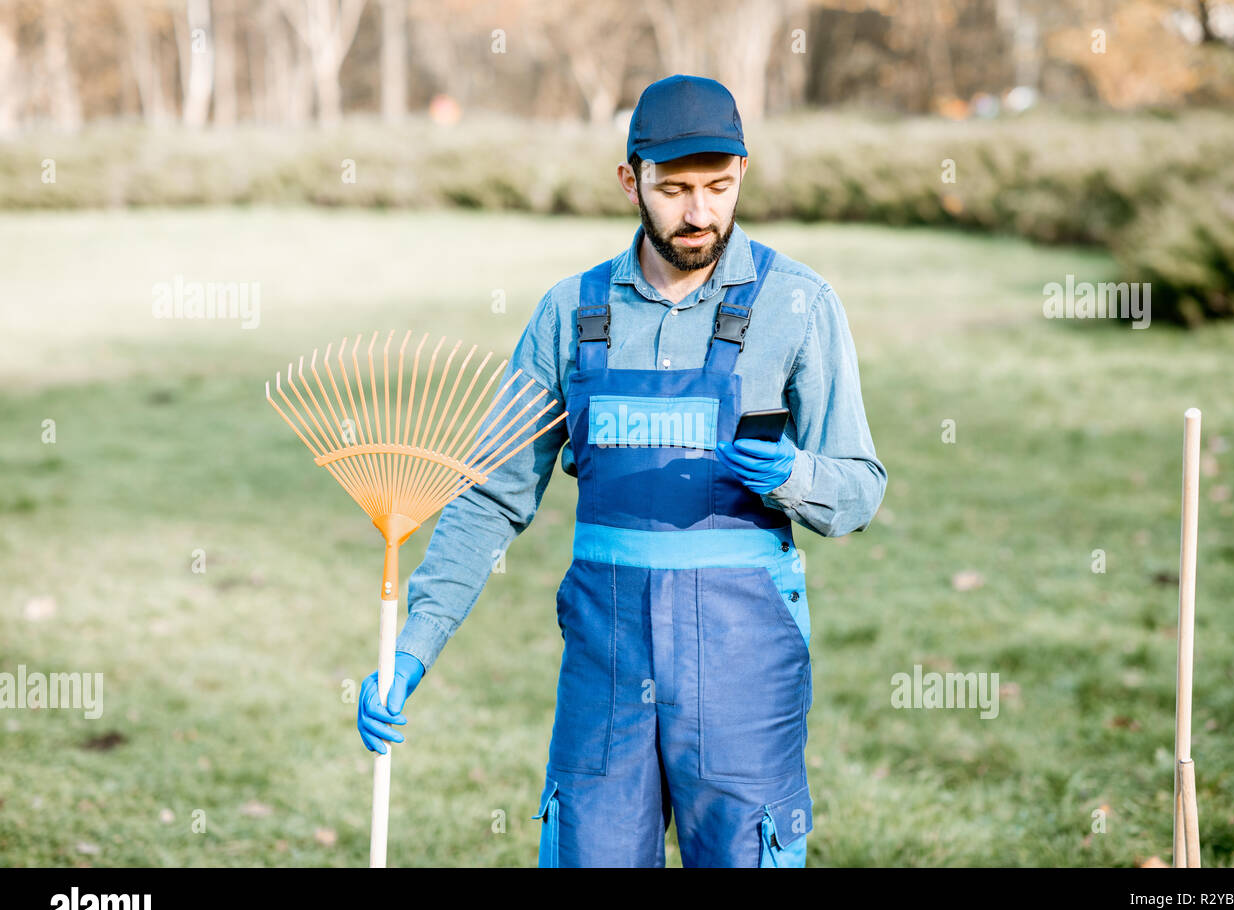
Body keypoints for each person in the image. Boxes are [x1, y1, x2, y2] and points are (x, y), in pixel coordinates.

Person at [356, 74, 887, 867]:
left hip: (743, 671)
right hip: (607, 673)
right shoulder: (572, 313)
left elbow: (858, 490)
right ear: (629, 180)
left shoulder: (800, 305)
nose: (699, 213)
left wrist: (791, 474)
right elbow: (492, 496)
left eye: (719, 186)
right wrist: (413, 646)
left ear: (744, 172)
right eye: (673, 189)